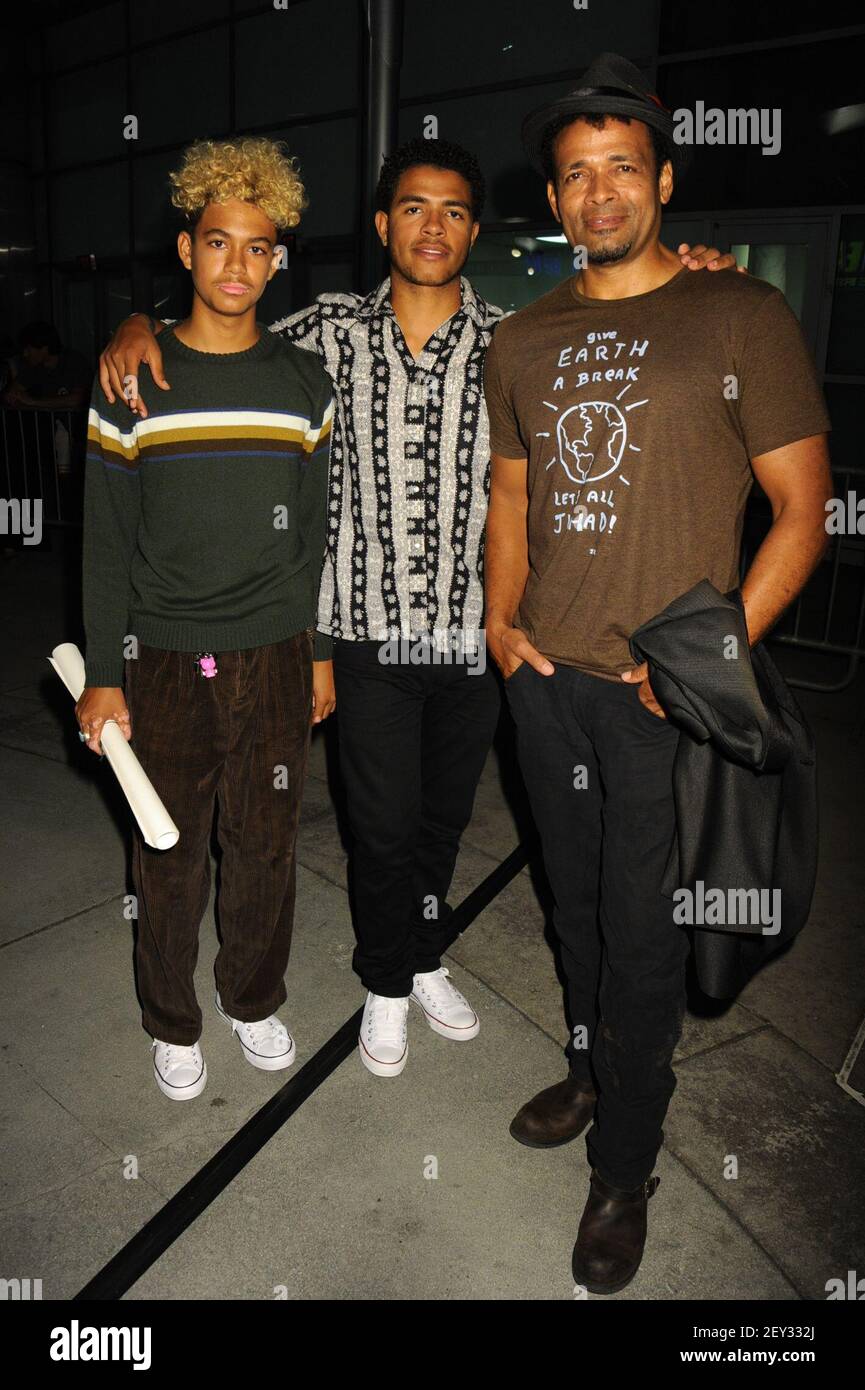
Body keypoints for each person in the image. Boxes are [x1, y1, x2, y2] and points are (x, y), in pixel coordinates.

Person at [98, 138, 736, 1082]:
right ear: (382, 223)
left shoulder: (520, 340)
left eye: (450, 211)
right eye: (410, 207)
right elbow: (221, 320)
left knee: (442, 825)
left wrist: (696, 274)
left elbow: (631, 327)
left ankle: (423, 954)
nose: (430, 226)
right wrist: (134, 323)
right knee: (381, 825)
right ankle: (383, 984)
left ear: (473, 229)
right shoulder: (323, 334)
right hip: (360, 632)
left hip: (479, 634)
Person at [483, 52, 832, 1294]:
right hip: (545, 686)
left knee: (640, 936)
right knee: (570, 913)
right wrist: (496, 616)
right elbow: (512, 491)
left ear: (664, 180)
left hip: (657, 697)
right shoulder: (522, 337)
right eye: (575, 174)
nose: (598, 192)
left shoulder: (737, 314)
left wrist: (710, 655)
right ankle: (591, 1070)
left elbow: (803, 509)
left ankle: (626, 1163)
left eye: (621, 167)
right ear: (556, 196)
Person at [77, 137, 335, 1100]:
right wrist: (107, 670)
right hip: (165, 658)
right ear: (185, 249)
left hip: (273, 653)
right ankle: (171, 1020)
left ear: (278, 259)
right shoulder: (129, 381)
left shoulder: (306, 386)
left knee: (266, 841)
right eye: (218, 241)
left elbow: (309, 536)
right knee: (167, 849)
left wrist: (316, 654)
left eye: (258, 246)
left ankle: (252, 998)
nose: (238, 263)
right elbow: (103, 543)